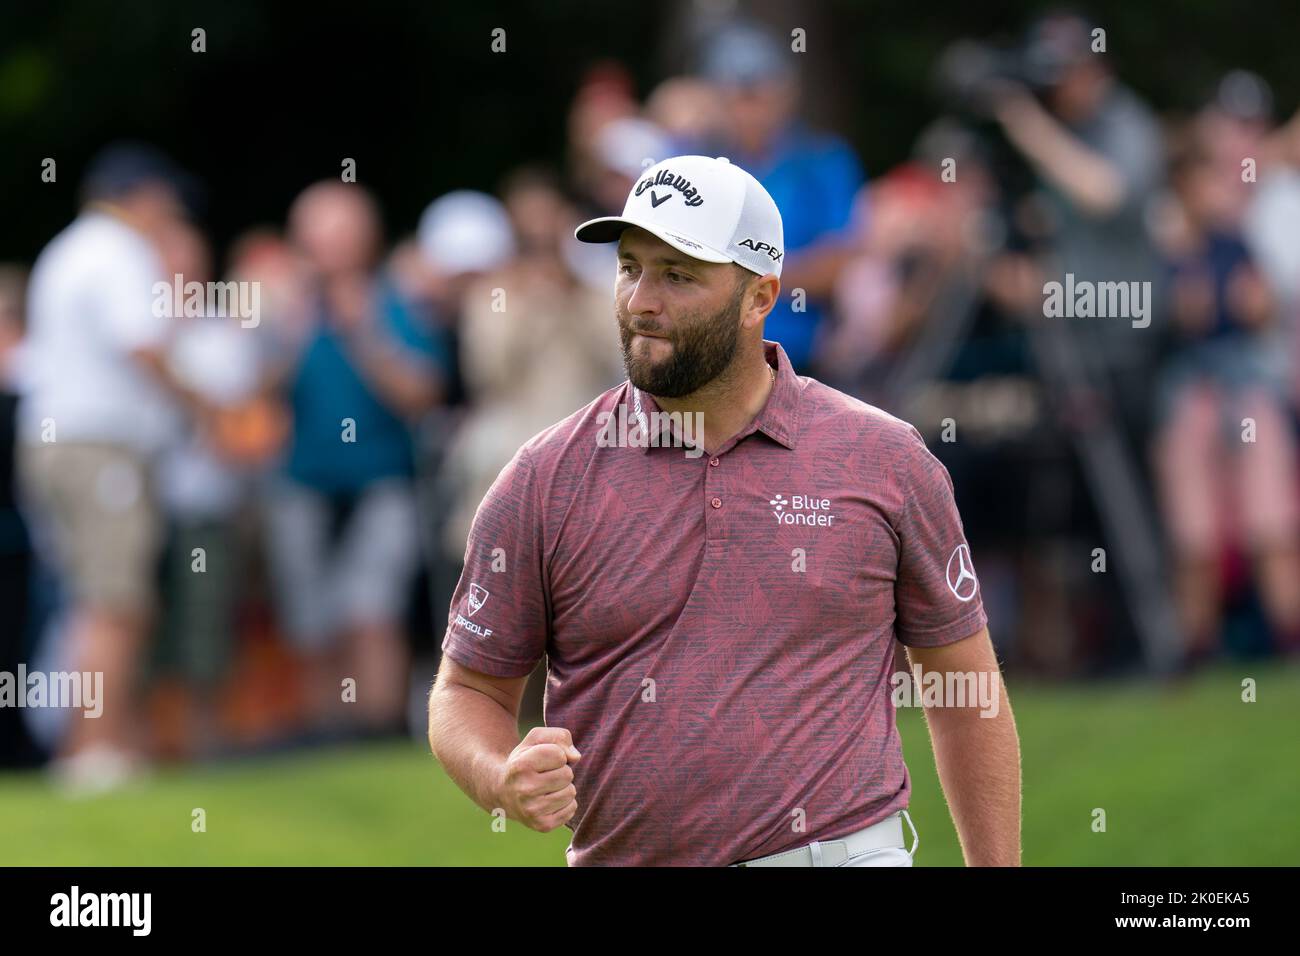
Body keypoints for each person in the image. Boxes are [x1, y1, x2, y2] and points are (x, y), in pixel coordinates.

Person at [427, 155, 1021, 867]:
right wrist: (499, 777)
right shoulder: (543, 478)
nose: (642, 300)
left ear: (758, 296)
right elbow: (468, 688)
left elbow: (964, 689)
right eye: (629, 268)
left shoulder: (883, 459)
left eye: (678, 275)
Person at [15, 144, 211, 791]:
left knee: (96, 599)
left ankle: (103, 746)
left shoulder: (70, 249)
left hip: (64, 444)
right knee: (113, 600)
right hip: (97, 448)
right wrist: (207, 405)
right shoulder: (118, 250)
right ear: (143, 195)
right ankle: (91, 754)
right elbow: (144, 347)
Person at [264, 182, 443, 738]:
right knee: (311, 622)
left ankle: (378, 731)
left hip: (382, 480)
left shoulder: (398, 303)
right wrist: (286, 340)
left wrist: (364, 333)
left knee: (371, 610)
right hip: (301, 483)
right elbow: (253, 399)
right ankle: (325, 734)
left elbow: (422, 394)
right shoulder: (286, 310)